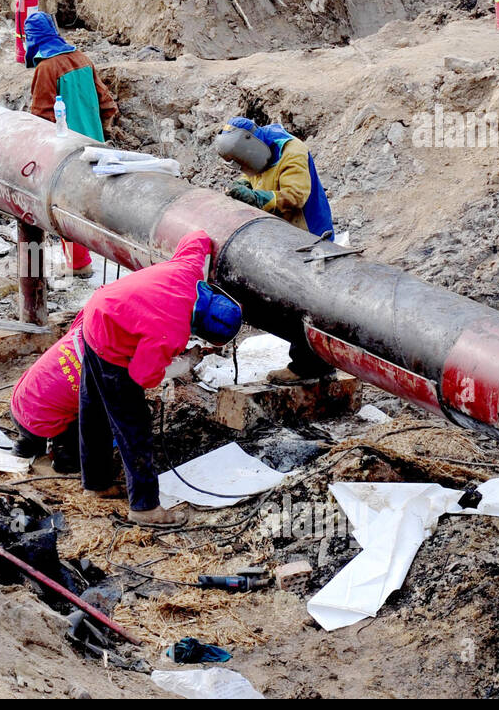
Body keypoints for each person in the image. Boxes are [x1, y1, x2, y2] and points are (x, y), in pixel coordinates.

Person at [78, 230, 243, 526]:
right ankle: (144, 507)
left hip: (97, 314)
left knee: (93, 410)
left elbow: (196, 238)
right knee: (133, 425)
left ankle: (96, 482)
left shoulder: (189, 270)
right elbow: (142, 376)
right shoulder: (171, 331)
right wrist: (186, 362)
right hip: (111, 345)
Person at [216, 117, 336, 384]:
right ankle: (312, 365)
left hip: (309, 236)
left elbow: (295, 196)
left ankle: (309, 368)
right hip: (283, 237)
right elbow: (256, 175)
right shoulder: (261, 151)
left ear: (252, 145)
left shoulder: (292, 151)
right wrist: (247, 187)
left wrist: (259, 198)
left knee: (307, 304)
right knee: (289, 300)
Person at [24, 10, 118, 278]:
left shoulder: (46, 68)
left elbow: (42, 116)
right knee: (89, 206)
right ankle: (94, 261)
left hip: (68, 153)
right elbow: (106, 102)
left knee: (65, 206)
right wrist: (101, 131)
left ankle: (80, 267)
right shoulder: (82, 58)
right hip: (95, 146)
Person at [10, 314, 86, 474]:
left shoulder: (81, 329)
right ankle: (65, 458)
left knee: (57, 396)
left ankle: (28, 443)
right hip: (44, 422)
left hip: (18, 404)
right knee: (95, 416)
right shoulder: (102, 365)